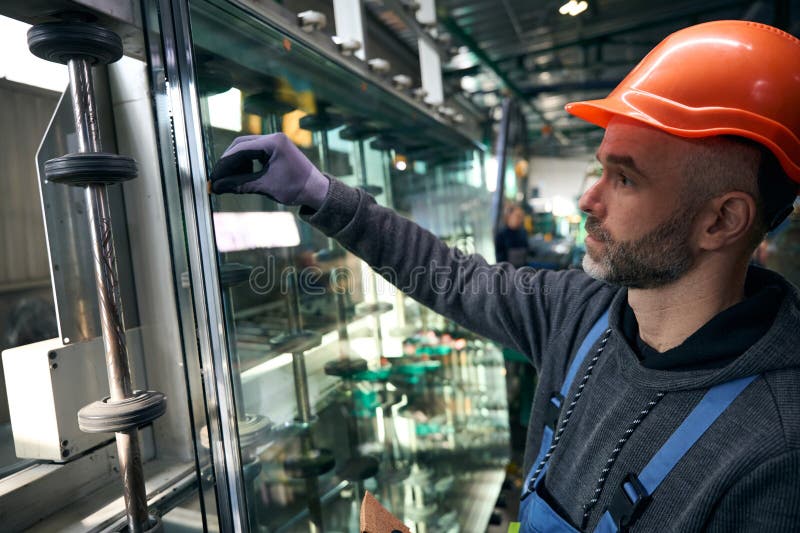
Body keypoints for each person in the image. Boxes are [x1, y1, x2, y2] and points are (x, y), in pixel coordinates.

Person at [210, 20, 800, 533]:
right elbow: (450, 276)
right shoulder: (580, 310)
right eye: (598, 168)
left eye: (624, 178)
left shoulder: (776, 448)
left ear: (721, 219)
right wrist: (319, 194)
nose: (587, 199)